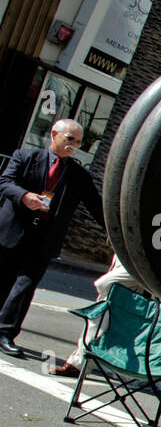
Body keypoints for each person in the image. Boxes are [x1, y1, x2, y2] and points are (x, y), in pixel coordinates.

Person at [0, 120, 104, 358]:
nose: (73, 146)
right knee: (3, 280)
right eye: (70, 139)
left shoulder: (78, 174)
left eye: (78, 142)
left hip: (44, 239)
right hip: (12, 232)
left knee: (24, 288)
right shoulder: (25, 157)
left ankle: (5, 333)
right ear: (54, 134)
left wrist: (116, 232)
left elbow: (95, 206)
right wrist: (24, 196)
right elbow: (5, 182)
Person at [45, 254, 146, 376]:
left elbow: (104, 284)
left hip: (138, 264)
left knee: (102, 318)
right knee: (100, 322)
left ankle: (82, 363)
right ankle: (81, 363)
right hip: (128, 262)